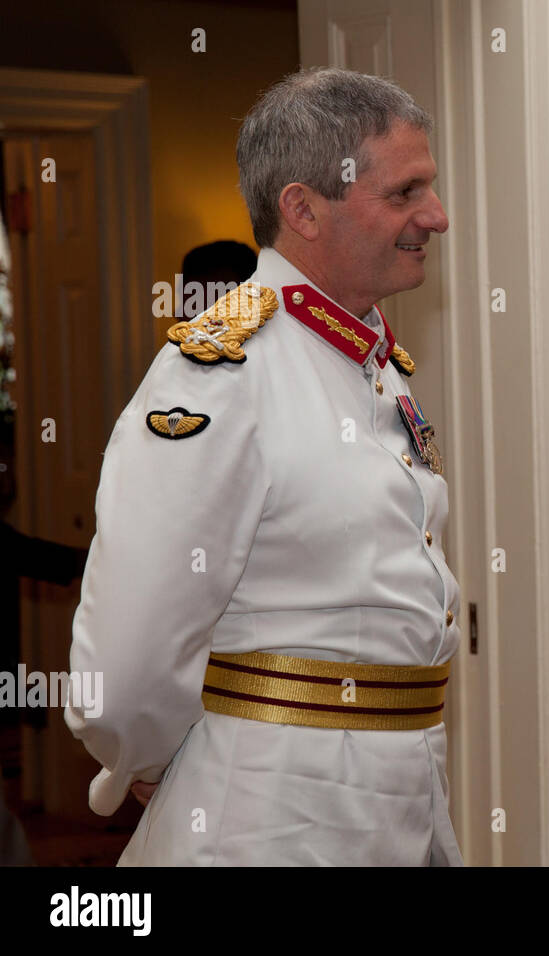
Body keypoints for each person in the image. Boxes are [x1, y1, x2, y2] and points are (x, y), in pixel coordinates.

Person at [64, 67, 462, 865]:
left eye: (431, 188)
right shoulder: (220, 374)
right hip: (269, 819)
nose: (436, 216)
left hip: (402, 798)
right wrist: (147, 761)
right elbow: (130, 652)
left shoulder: (371, 359)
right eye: (403, 193)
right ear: (303, 208)